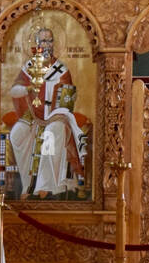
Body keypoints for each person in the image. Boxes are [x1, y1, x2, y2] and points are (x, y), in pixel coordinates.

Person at [7, 26, 89, 200]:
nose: (47, 45)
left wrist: (54, 114)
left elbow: (67, 100)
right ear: (36, 44)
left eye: (50, 40)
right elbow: (14, 90)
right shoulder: (29, 67)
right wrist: (27, 88)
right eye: (43, 41)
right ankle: (27, 183)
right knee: (16, 134)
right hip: (32, 114)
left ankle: (46, 186)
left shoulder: (61, 69)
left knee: (51, 133)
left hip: (57, 116)